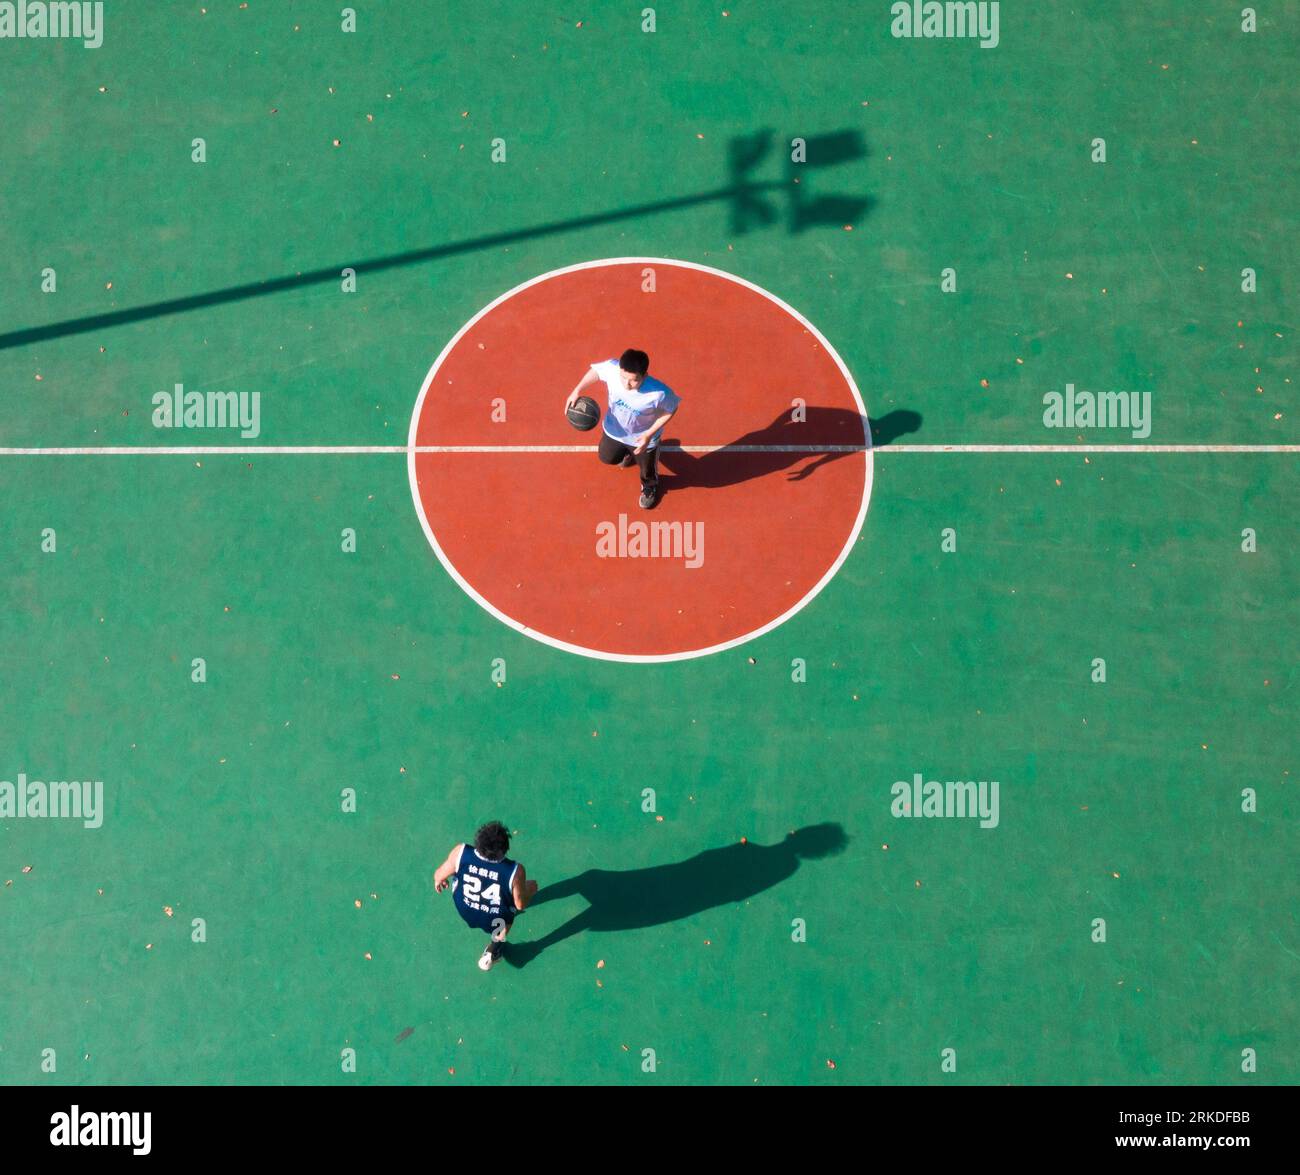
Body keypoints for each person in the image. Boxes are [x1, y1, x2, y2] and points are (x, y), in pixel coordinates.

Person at [565, 348, 681, 509]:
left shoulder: (659, 392)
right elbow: (596, 371)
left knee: (647, 471)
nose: (627, 384)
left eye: (633, 380)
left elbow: (671, 409)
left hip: (643, 438)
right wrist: (576, 390)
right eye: (623, 377)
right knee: (607, 458)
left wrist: (649, 434)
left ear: (644, 376)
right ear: (619, 369)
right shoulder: (613, 369)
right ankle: (628, 454)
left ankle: (649, 487)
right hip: (615, 431)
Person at [433, 821, 538, 971]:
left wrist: (439, 880)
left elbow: (438, 875)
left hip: (464, 908)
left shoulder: (461, 852)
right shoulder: (515, 870)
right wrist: (528, 889)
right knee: (505, 922)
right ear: (505, 848)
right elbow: (521, 904)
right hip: (494, 920)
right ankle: (493, 951)